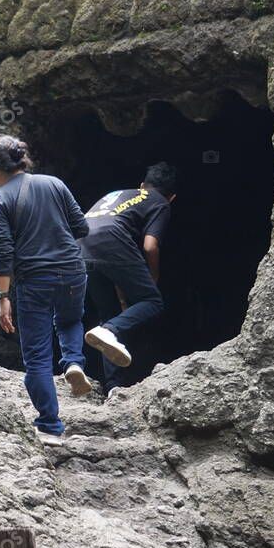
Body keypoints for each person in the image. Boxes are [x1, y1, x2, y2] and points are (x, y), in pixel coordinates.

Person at [0, 135, 91, 444]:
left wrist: (3, 298)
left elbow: (2, 251)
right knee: (70, 320)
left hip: (35, 280)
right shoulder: (54, 184)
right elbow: (81, 227)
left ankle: (50, 426)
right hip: (73, 271)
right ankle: (73, 361)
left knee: (37, 357)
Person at [79, 162, 178, 396]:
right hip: (110, 239)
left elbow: (117, 262)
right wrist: (152, 279)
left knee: (110, 314)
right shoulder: (160, 202)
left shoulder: (119, 195)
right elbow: (150, 246)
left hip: (80, 243)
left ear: (142, 185)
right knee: (152, 302)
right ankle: (111, 330)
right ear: (172, 197)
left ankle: (113, 388)